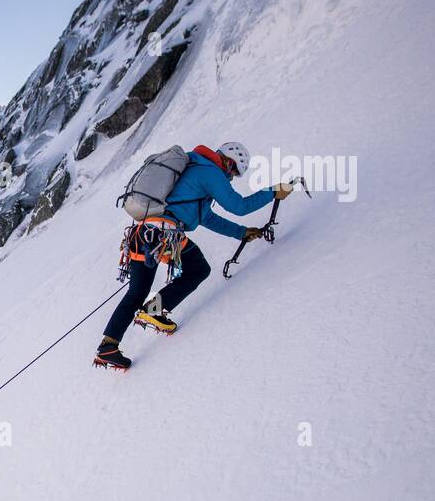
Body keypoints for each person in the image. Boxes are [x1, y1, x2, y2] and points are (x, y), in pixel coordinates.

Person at [93, 141, 294, 371]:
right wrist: (273, 192)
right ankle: (154, 310)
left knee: (136, 291)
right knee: (198, 269)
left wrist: (241, 232)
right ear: (229, 162)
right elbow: (239, 206)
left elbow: (205, 217)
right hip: (165, 235)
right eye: (235, 171)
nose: (231, 177)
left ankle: (108, 346)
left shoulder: (194, 169)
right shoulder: (211, 172)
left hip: (143, 235)